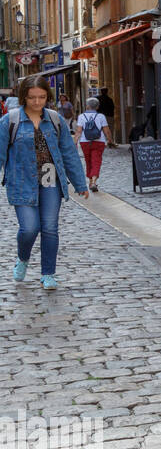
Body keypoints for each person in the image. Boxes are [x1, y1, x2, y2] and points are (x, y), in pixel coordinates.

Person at [0, 75, 90, 290]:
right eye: (32, 98)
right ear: (24, 97)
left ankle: (48, 274)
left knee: (50, 228)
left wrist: (80, 183)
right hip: (21, 180)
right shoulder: (9, 121)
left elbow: (68, 153)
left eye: (41, 97)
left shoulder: (54, 119)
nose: (37, 102)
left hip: (51, 179)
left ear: (47, 97)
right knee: (30, 228)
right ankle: (23, 258)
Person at [74, 98, 111, 192]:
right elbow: (106, 130)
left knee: (88, 161)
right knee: (96, 161)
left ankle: (90, 182)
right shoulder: (101, 116)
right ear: (97, 107)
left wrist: (75, 142)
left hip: (84, 142)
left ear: (87, 106)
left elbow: (79, 131)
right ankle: (93, 182)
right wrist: (110, 140)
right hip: (99, 141)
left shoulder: (81, 116)